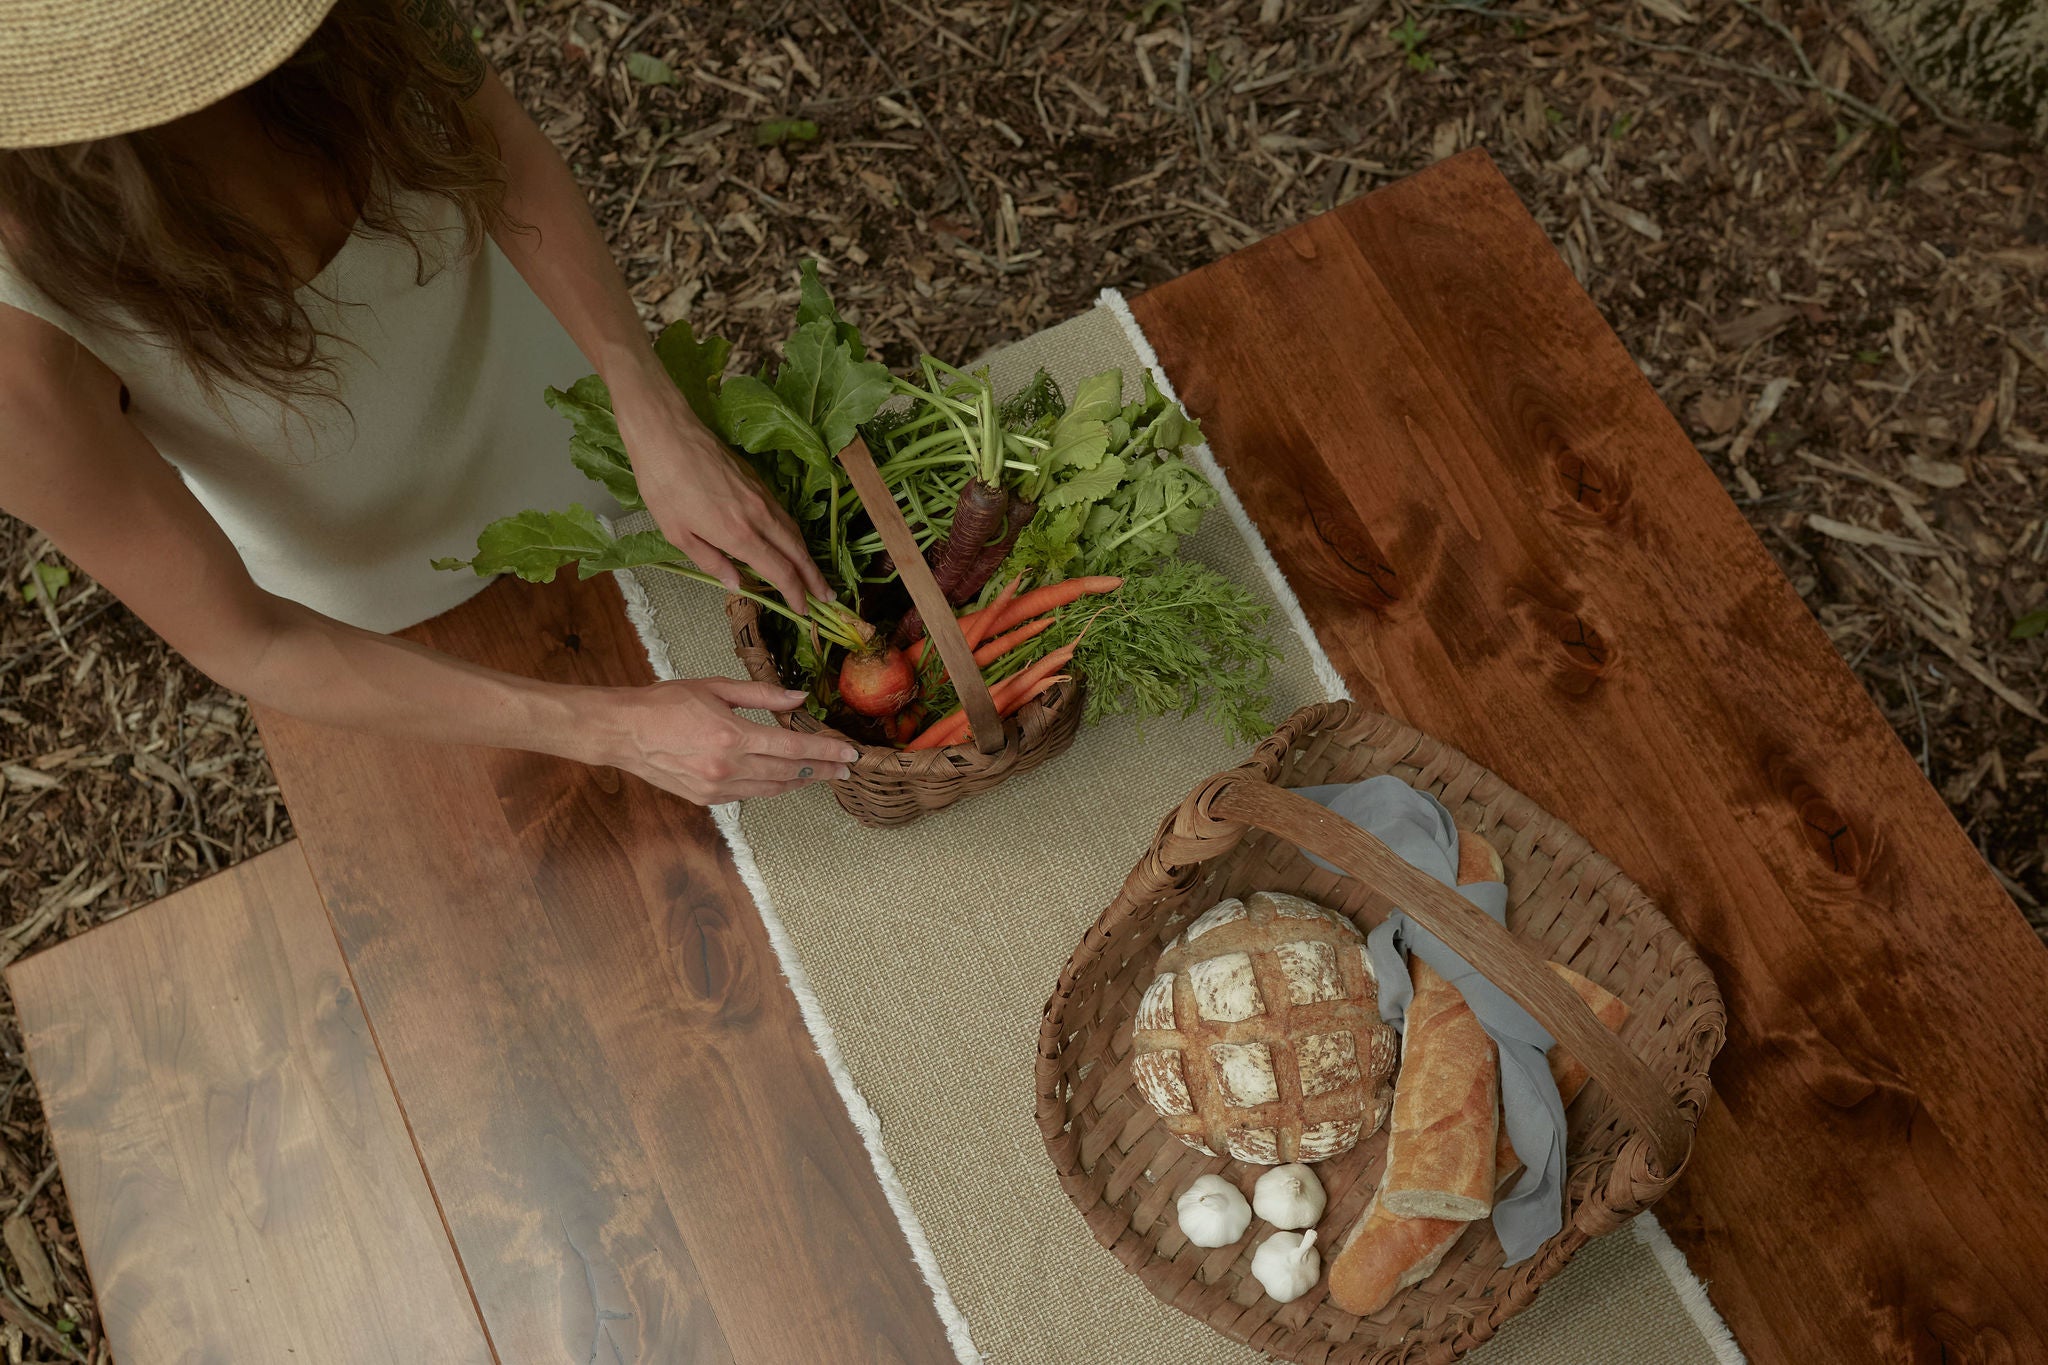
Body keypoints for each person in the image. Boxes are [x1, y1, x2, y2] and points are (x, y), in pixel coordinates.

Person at [0, 0, 859, 803]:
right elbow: (252, 639)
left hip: (572, 415)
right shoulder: (16, 336)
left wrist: (643, 399)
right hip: (385, 617)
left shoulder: (348, 17)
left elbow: (504, 150)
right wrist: (616, 729)